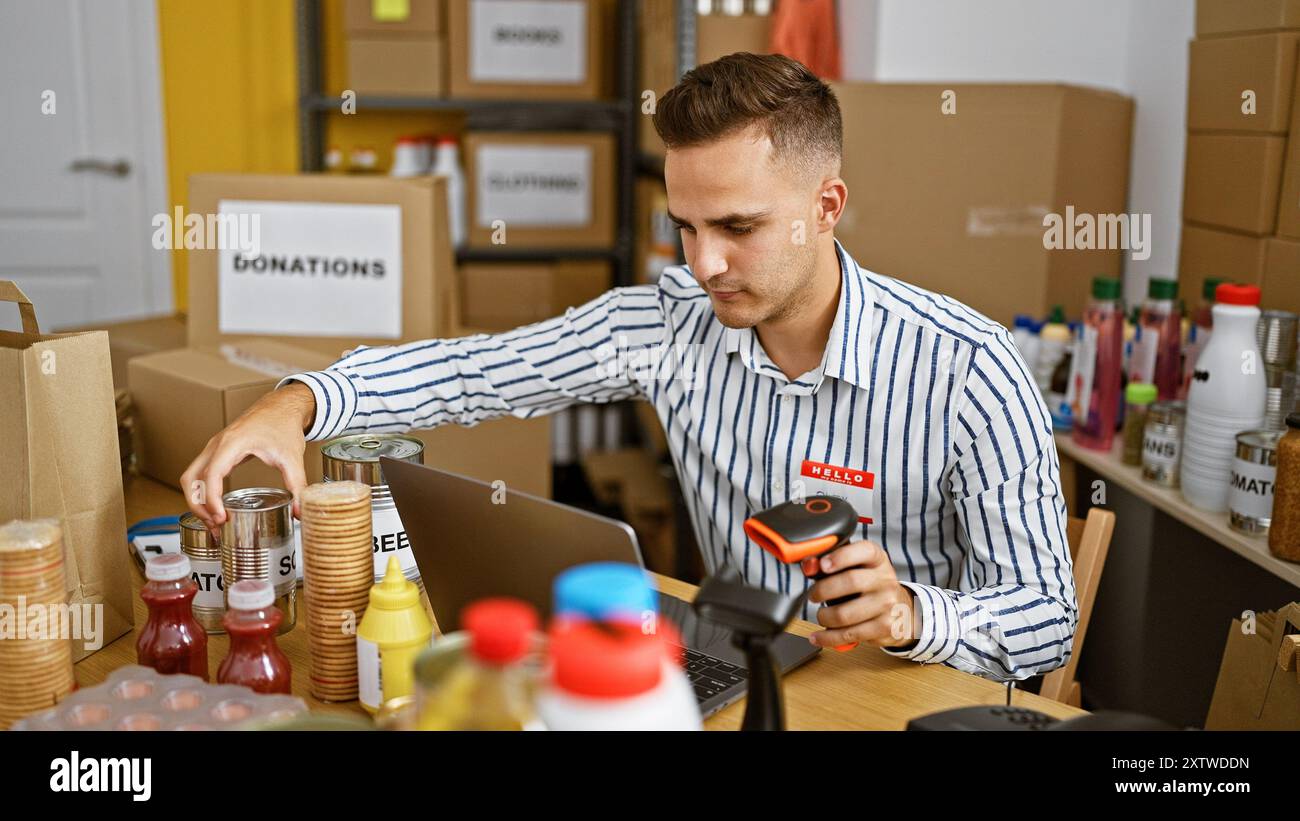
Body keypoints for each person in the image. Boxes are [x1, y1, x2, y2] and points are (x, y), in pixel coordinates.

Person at [183, 53, 1076, 682]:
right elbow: (478, 370)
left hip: (903, 694)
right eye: (684, 226)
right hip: (730, 676)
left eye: (737, 227)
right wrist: (301, 399)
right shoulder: (667, 320)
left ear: (826, 206)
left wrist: (916, 614)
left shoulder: (971, 369)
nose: (704, 264)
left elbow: (1046, 617)